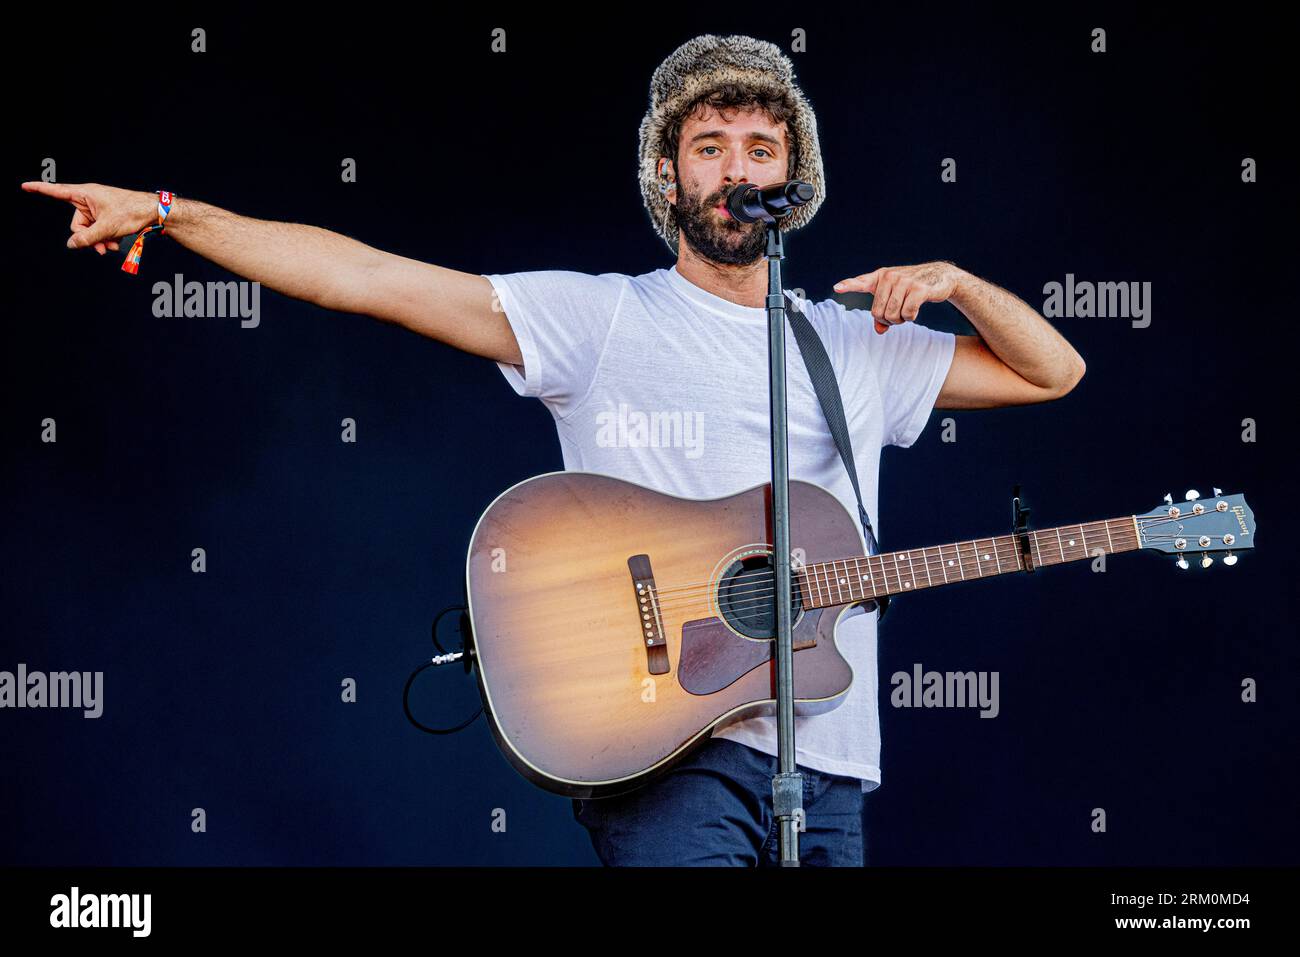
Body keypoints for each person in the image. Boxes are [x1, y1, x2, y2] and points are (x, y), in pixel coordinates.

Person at [21, 33, 1085, 867]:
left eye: (761, 149)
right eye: (709, 146)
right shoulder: (602, 318)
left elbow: (1053, 372)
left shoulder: (850, 343)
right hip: (663, 743)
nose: (735, 168)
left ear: (795, 181)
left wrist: (957, 282)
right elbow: (370, 277)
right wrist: (172, 214)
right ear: (667, 176)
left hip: (832, 762)